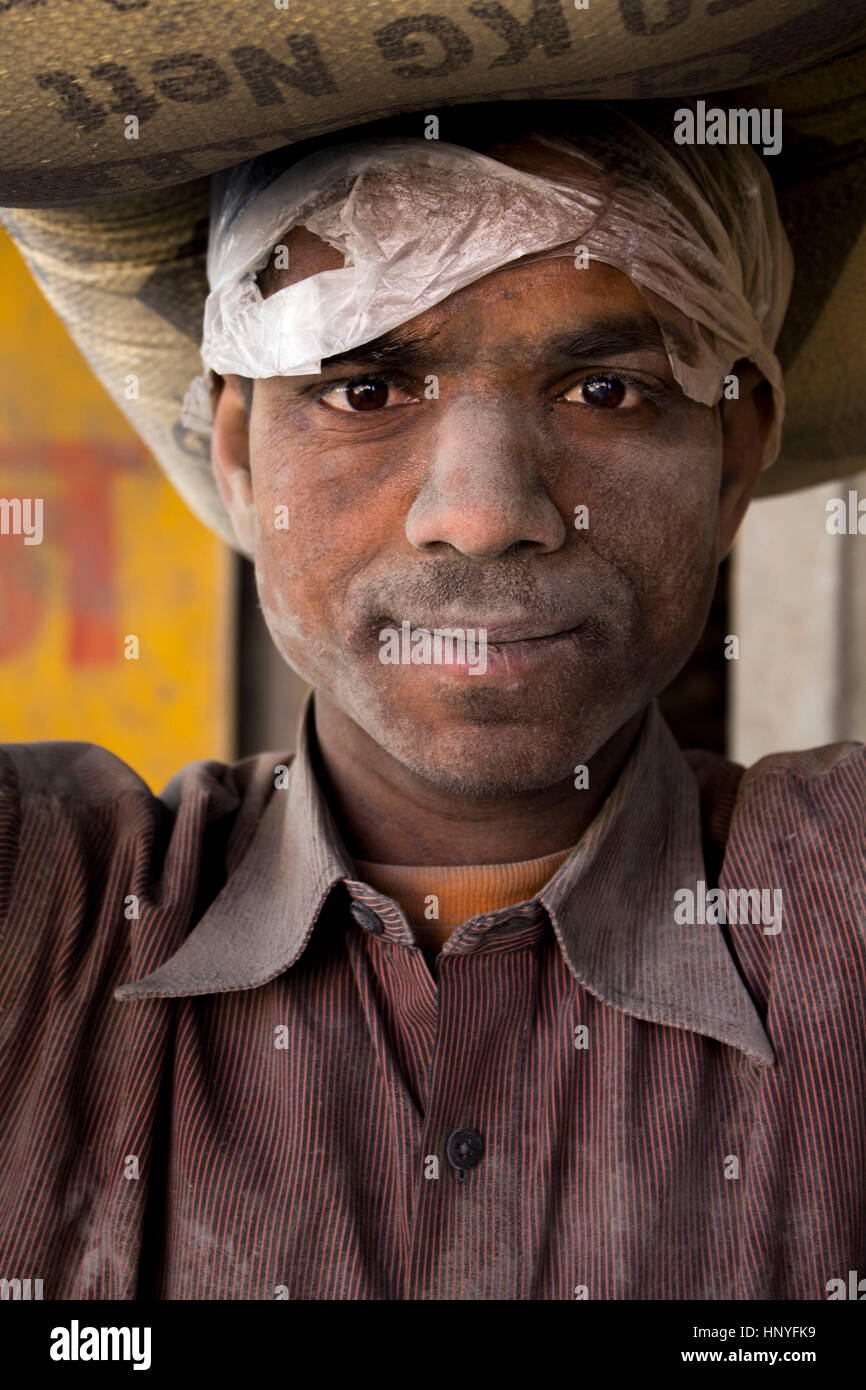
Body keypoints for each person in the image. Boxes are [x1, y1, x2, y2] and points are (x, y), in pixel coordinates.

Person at [0, 101, 863, 1302]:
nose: (482, 511)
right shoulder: (50, 915)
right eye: (365, 389)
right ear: (240, 458)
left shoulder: (838, 914)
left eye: (604, 389)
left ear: (731, 460)